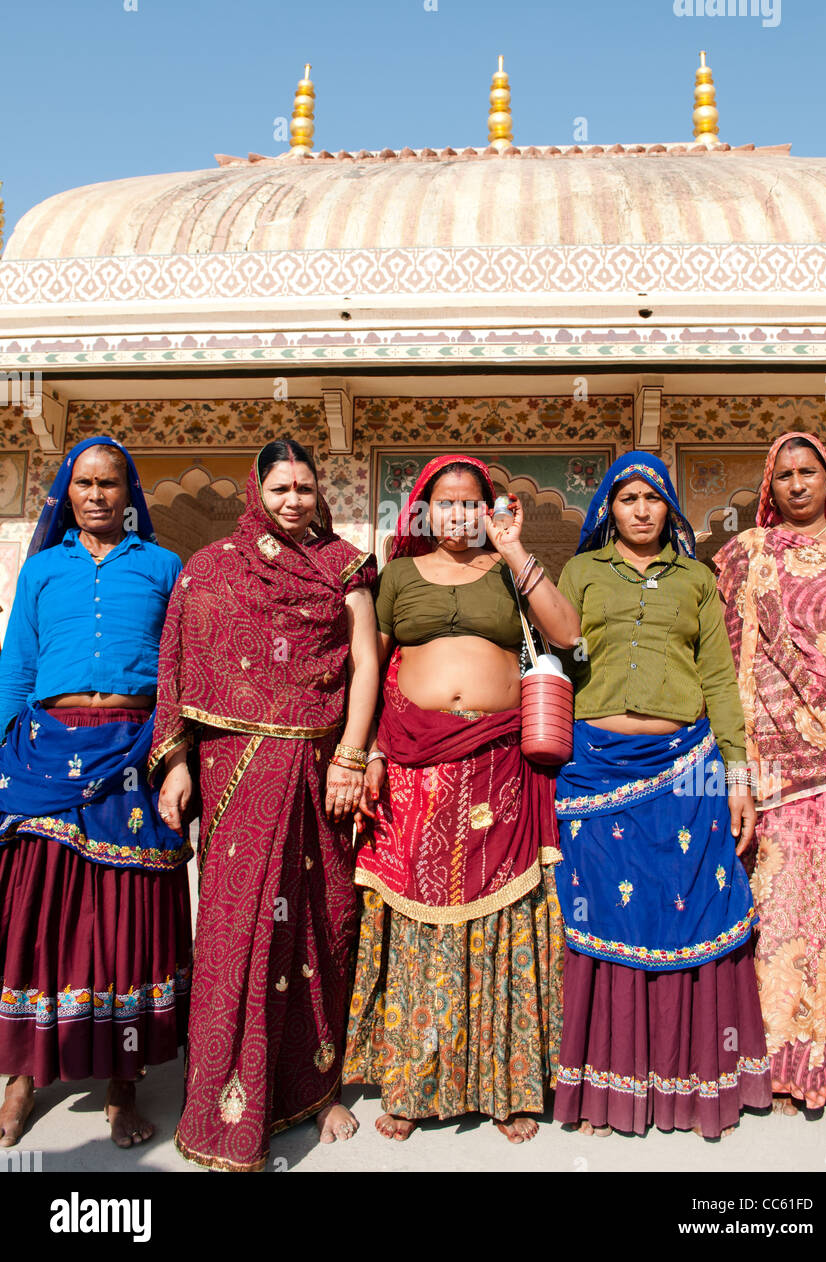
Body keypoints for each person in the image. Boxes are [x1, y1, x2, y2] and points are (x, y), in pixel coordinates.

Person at [150, 439, 378, 1172]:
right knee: (233, 932)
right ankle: (222, 1099)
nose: (293, 500)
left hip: (316, 771)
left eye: (305, 488)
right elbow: (178, 663)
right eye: (280, 488)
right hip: (229, 770)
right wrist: (177, 761)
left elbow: (366, 661)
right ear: (257, 491)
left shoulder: (343, 566)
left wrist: (350, 753)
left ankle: (315, 1087)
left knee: (316, 923)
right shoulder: (211, 568)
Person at [343, 454, 582, 1142]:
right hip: (416, 770)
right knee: (418, 924)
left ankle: (507, 1086)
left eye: (468, 503)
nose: (455, 514)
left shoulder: (507, 571)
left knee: (505, 916)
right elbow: (374, 670)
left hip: (499, 765)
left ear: (488, 509)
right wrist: (371, 753)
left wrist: (512, 550)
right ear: (420, 511)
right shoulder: (397, 578)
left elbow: (566, 635)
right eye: (441, 502)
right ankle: (413, 1084)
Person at [553, 451, 772, 1138]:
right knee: (604, 917)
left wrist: (735, 780)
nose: (641, 510)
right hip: (595, 767)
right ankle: (602, 1087)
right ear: (607, 510)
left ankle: (689, 1084)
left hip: (685, 767)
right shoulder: (581, 572)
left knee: (685, 911)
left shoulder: (696, 580)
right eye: (627, 499)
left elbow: (718, 681)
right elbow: (555, 664)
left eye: (653, 498)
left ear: (669, 508)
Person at [0, 436, 192, 1150]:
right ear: (68, 491)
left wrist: (177, 757)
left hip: (133, 748)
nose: (97, 495)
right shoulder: (44, 570)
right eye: (84, 483)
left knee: (127, 915)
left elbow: (178, 673)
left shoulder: (165, 567)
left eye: (110, 484)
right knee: (38, 909)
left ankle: (121, 1084)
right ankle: (22, 1079)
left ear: (129, 492)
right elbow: (17, 664)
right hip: (45, 749)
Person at [714, 432, 826, 1115]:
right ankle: (779, 1060)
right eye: (784, 476)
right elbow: (719, 654)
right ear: (767, 489)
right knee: (780, 908)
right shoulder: (747, 557)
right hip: (776, 766)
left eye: (808, 473)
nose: (797, 485)